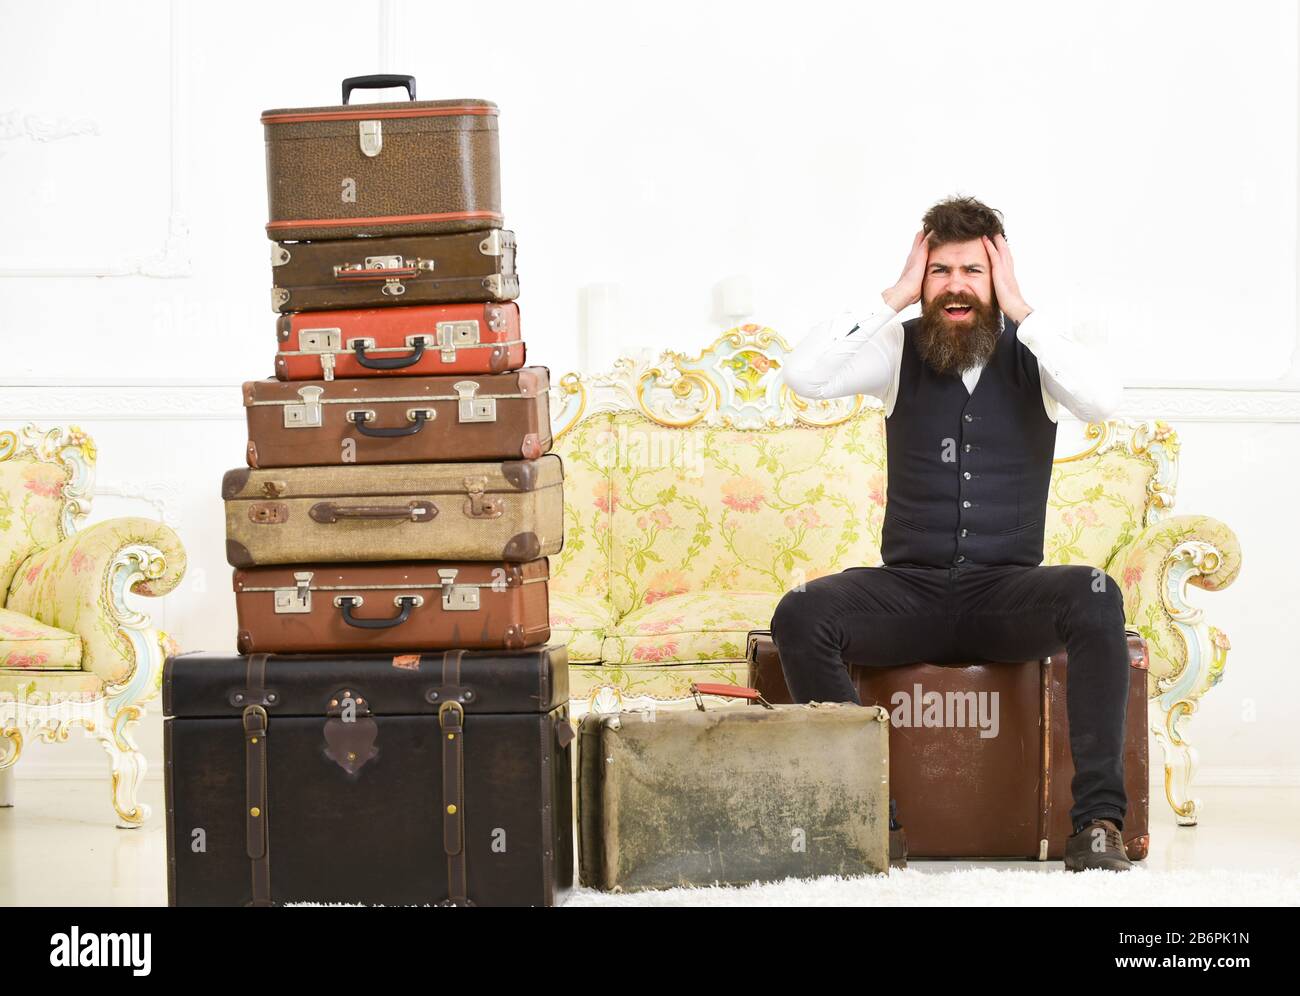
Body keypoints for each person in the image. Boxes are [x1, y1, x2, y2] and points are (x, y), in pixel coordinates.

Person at [772, 195, 1134, 871]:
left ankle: (1097, 824)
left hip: (1005, 596)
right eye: (941, 271)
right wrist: (893, 294)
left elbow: (1103, 399)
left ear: (998, 277)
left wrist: (1025, 312)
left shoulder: (1038, 354)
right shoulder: (895, 349)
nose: (956, 285)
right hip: (909, 594)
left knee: (1095, 592)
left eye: (973, 269)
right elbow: (804, 374)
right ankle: (870, 819)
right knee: (802, 613)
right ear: (923, 278)